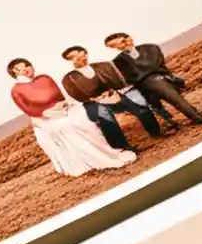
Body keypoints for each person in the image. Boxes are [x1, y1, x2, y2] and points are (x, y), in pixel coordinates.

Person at [7, 58, 136, 177]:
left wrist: (62, 104)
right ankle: (96, 159)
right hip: (46, 118)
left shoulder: (45, 78)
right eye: (19, 69)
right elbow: (28, 109)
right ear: (15, 74)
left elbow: (58, 95)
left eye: (27, 66)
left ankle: (111, 149)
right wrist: (47, 112)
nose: (25, 70)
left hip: (64, 108)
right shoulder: (16, 90)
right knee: (67, 127)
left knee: (86, 122)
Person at [60, 45, 164, 150]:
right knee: (105, 117)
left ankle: (156, 134)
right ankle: (124, 148)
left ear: (85, 54)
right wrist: (95, 99)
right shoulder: (69, 78)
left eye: (78, 55)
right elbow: (76, 95)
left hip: (114, 95)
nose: (76, 59)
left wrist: (113, 93)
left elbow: (118, 81)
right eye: (71, 58)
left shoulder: (103, 66)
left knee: (140, 107)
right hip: (93, 103)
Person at [105, 32, 202, 126]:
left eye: (122, 41)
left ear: (130, 38)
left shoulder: (151, 48)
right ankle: (180, 119)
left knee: (158, 85)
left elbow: (156, 66)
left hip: (161, 79)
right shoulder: (118, 61)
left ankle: (195, 118)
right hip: (143, 86)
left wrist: (142, 75)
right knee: (153, 96)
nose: (121, 46)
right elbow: (128, 78)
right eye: (115, 46)